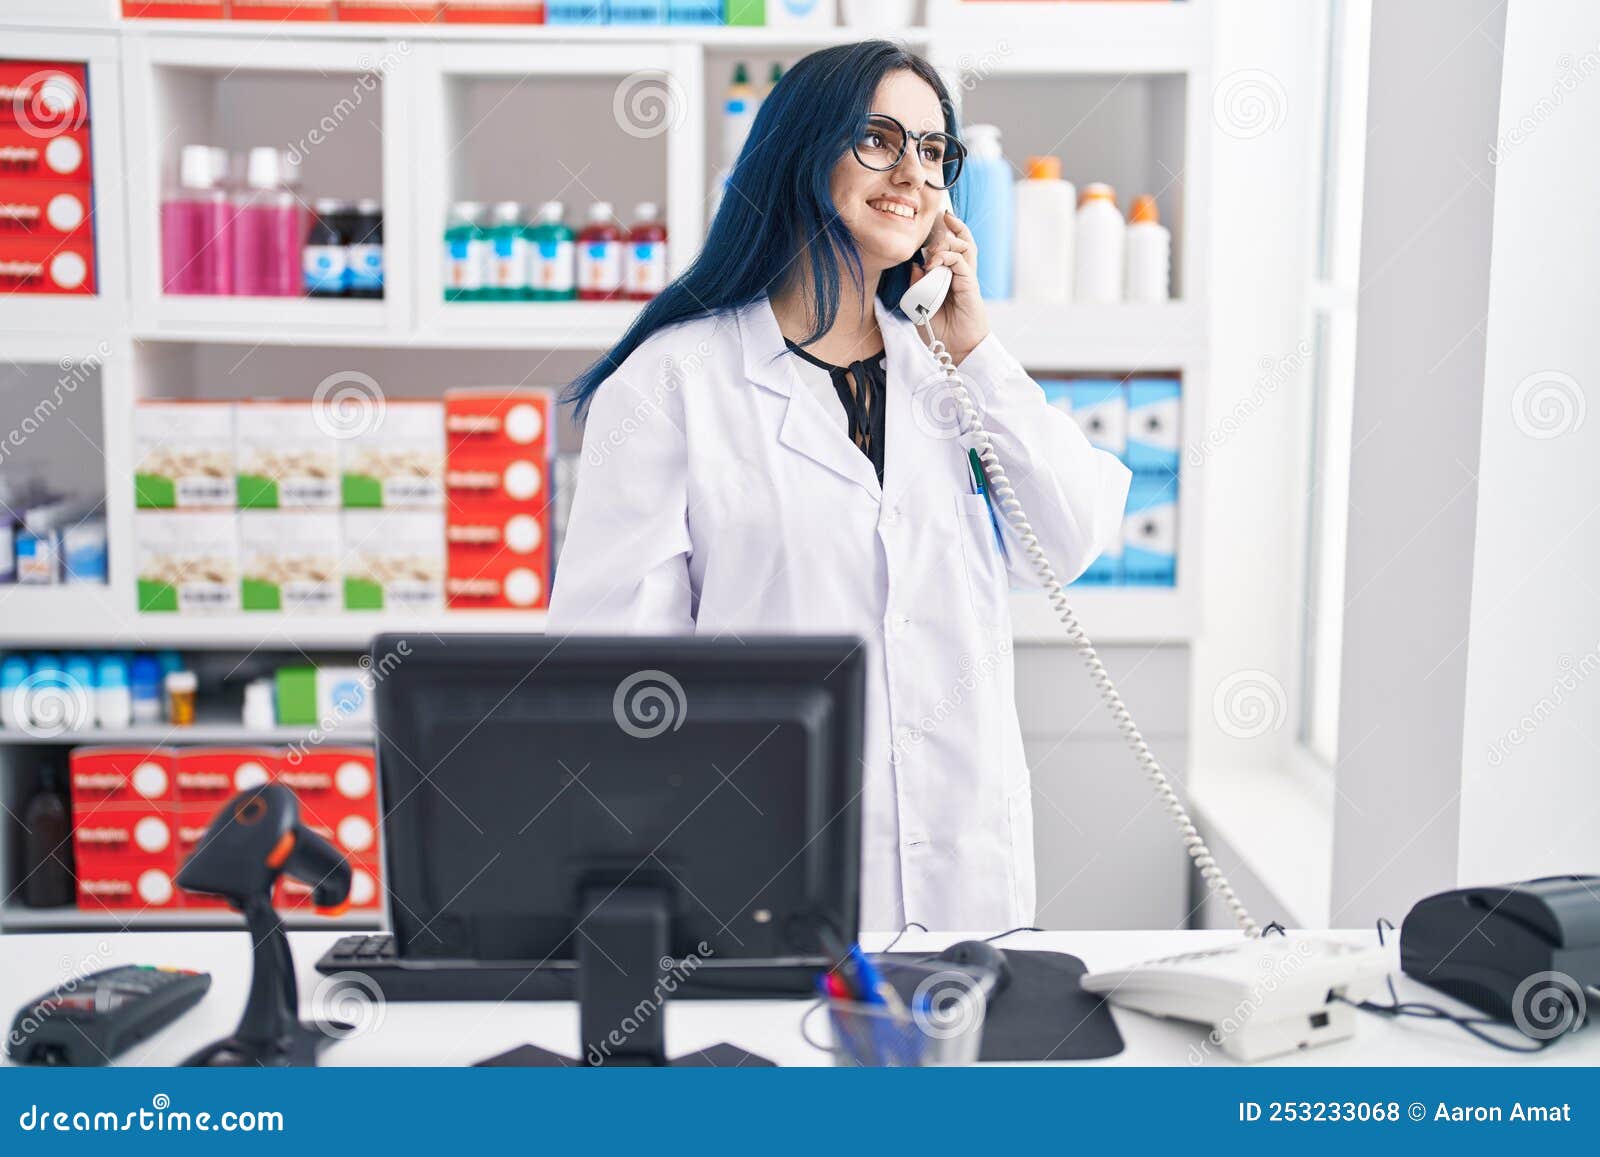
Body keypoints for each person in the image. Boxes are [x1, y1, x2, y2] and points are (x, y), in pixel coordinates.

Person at [548, 40, 1130, 931]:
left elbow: (1070, 537)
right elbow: (616, 676)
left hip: (966, 878)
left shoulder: (951, 373)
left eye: (933, 150)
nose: (914, 173)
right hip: (761, 876)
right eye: (878, 139)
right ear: (800, 152)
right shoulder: (675, 382)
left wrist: (976, 347)